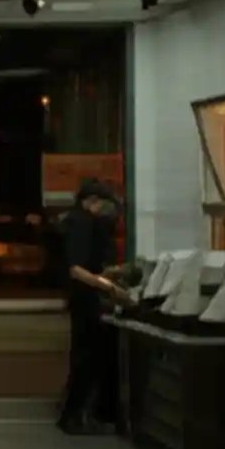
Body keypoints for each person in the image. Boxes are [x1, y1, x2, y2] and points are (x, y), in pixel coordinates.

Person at [57, 179, 130, 435]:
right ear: (91, 201)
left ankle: (77, 414)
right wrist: (108, 287)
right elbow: (77, 269)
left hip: (81, 298)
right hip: (86, 300)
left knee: (85, 357)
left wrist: (110, 275)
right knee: (87, 359)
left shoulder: (75, 222)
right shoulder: (82, 224)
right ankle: (74, 416)